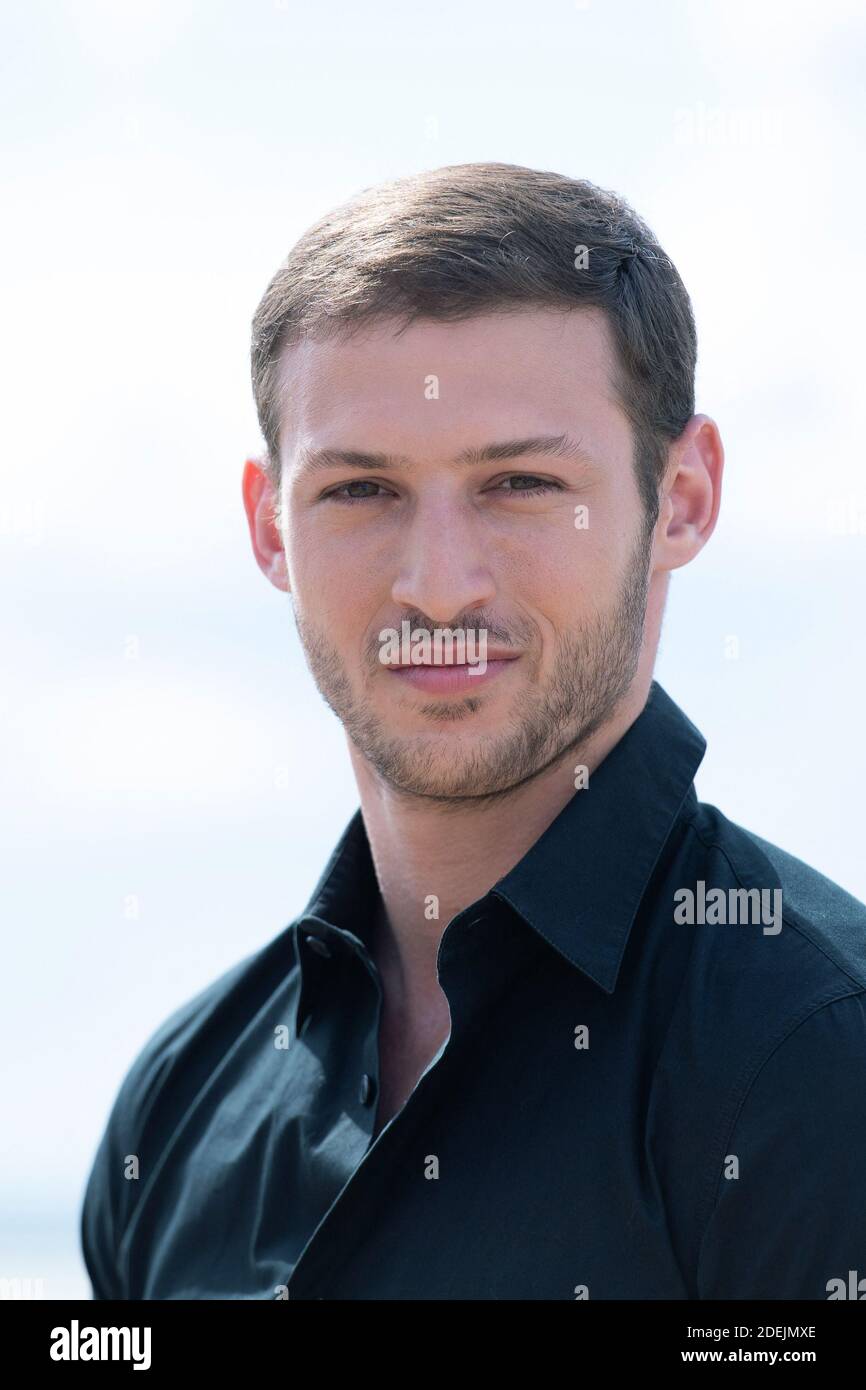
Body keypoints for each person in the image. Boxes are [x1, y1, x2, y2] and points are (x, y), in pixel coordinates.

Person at [80, 162, 866, 1300]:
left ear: (681, 495)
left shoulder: (813, 1061)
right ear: (267, 528)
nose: (437, 587)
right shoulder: (178, 1104)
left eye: (519, 482)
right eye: (360, 491)